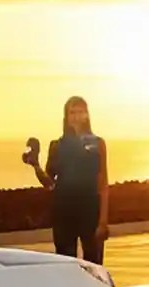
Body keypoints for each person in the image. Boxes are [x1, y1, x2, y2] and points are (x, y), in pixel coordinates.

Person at [25, 96, 110, 264]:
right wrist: (36, 165)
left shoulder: (98, 144)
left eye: (81, 111)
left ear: (87, 115)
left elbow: (103, 183)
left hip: (90, 210)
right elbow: (49, 184)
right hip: (63, 211)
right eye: (72, 112)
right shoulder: (57, 146)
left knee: (94, 265)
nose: (77, 116)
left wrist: (103, 221)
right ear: (66, 116)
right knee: (66, 263)